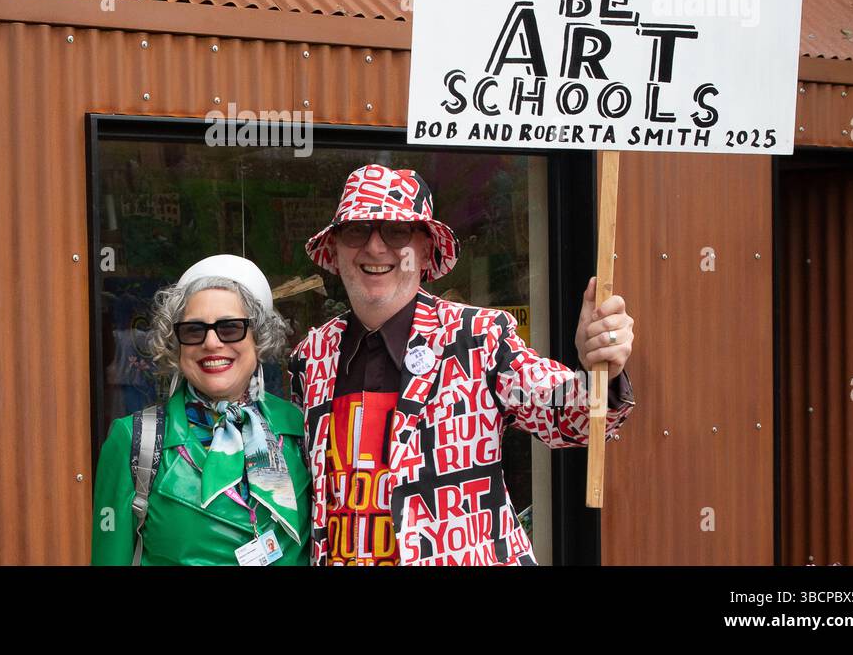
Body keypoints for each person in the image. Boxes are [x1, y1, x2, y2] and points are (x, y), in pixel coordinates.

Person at [292, 164, 637, 565]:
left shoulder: (478, 337)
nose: (375, 247)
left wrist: (603, 373)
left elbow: (569, 417)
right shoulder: (311, 355)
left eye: (396, 230)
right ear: (335, 248)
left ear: (424, 249)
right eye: (357, 229)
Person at [91, 254, 311, 565]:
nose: (211, 343)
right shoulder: (135, 441)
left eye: (230, 328)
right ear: (176, 344)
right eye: (194, 331)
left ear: (258, 337)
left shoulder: (301, 429)